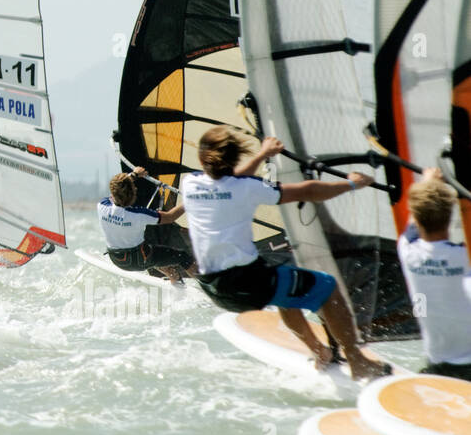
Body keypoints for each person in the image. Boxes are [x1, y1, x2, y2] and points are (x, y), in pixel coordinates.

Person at [176, 126, 390, 380]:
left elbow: (230, 183)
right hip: (246, 281)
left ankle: (321, 353)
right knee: (327, 287)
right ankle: (357, 362)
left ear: (203, 160)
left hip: (214, 287)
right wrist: (351, 184)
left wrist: (261, 155)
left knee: (285, 289)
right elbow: (308, 191)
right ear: (235, 158)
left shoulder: (190, 184)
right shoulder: (247, 187)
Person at [395, 169, 471, 381]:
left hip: (437, 364)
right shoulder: (465, 256)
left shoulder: (407, 250)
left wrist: (429, 180)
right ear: (449, 217)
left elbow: (413, 221)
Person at [98, 166, 192, 280]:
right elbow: (170, 217)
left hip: (117, 260)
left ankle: (174, 278)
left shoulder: (102, 206)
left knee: (154, 252)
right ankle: (208, 287)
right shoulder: (139, 214)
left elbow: (116, 190)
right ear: (134, 193)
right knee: (183, 257)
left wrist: (133, 175)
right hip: (140, 259)